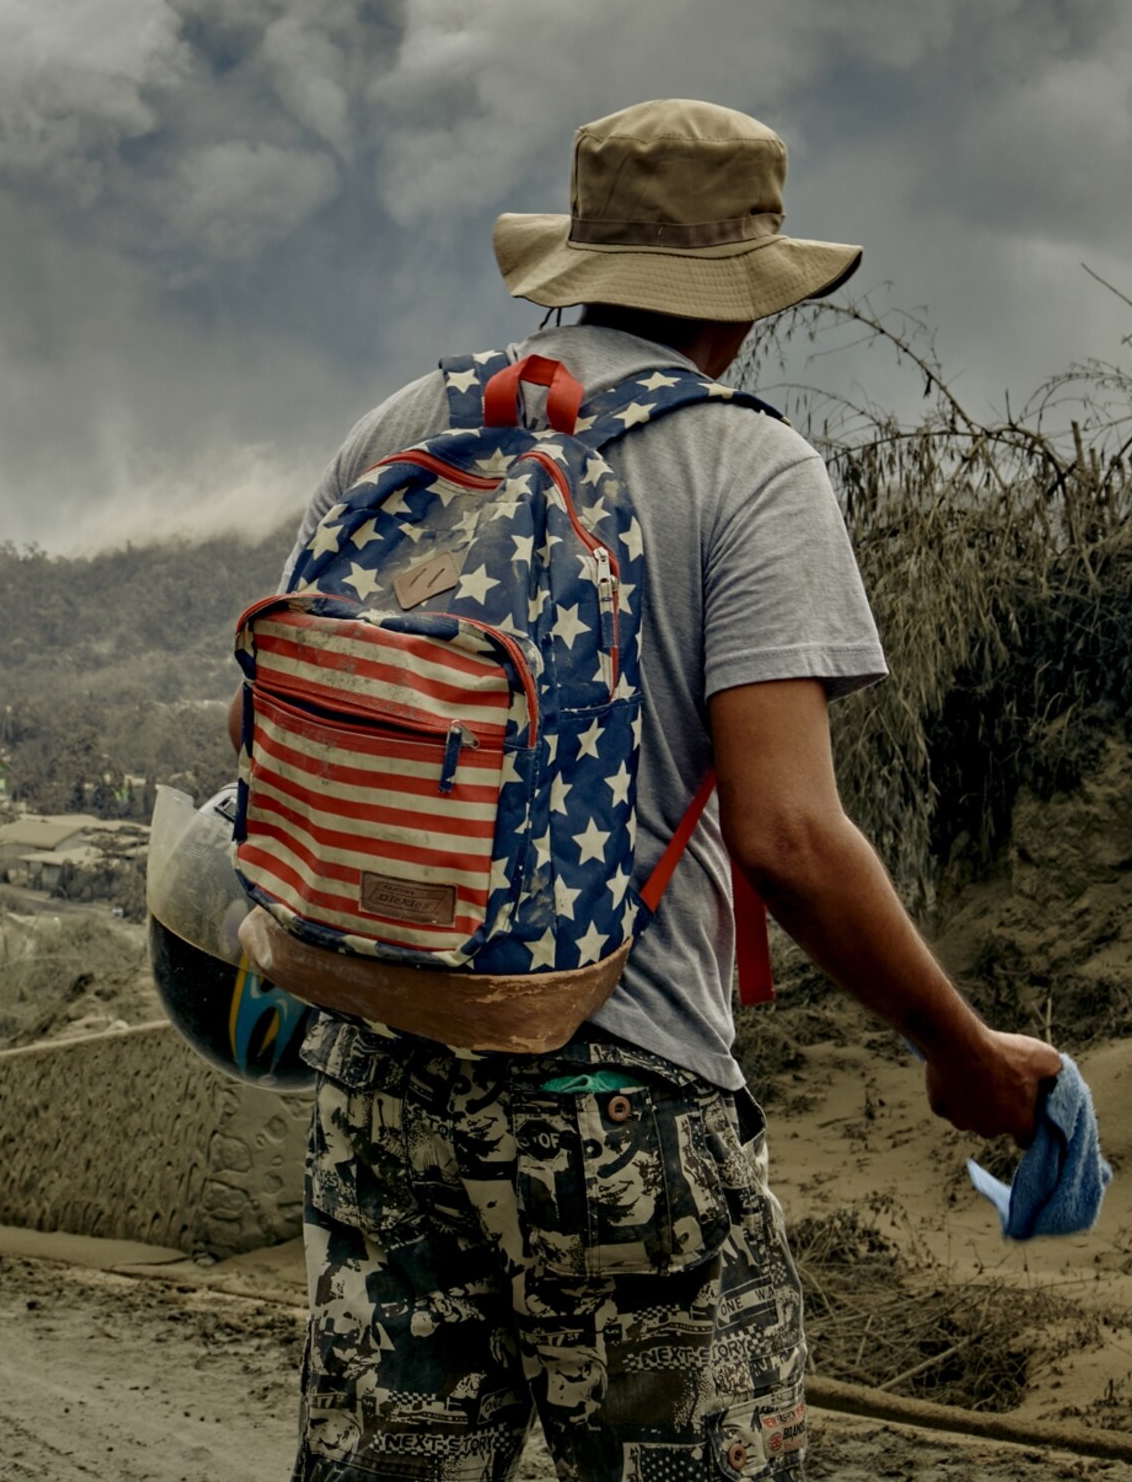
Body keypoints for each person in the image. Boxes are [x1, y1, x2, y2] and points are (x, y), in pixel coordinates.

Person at [286, 99, 1065, 1479]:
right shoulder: (747, 465)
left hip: (382, 1083)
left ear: (574, 263)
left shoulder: (400, 429)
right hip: (618, 1110)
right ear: (743, 306)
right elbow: (789, 836)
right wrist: (961, 1050)